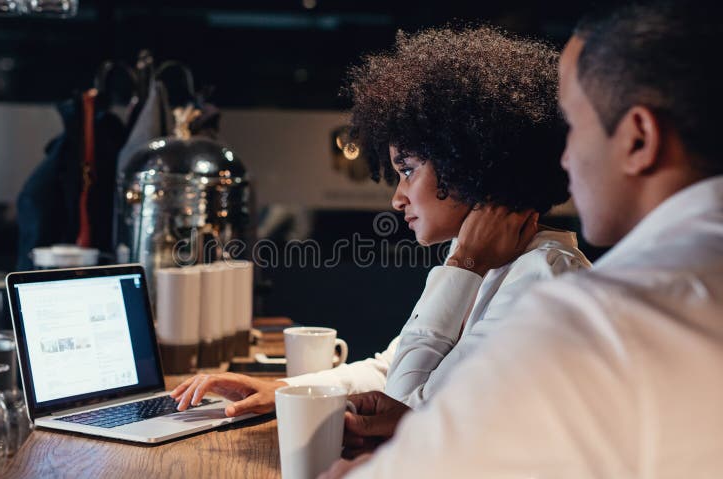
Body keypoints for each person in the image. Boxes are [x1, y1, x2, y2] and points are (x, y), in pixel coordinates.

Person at [323, 2, 723, 477]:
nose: (564, 158)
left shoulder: (586, 312)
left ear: (638, 138)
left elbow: (409, 429)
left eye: (572, 127)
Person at [170, 26, 589, 419]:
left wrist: (462, 267)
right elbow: (392, 366)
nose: (397, 198)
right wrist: (286, 390)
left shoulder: (541, 280)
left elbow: (405, 407)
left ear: (469, 163)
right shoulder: (497, 259)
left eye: (407, 169)